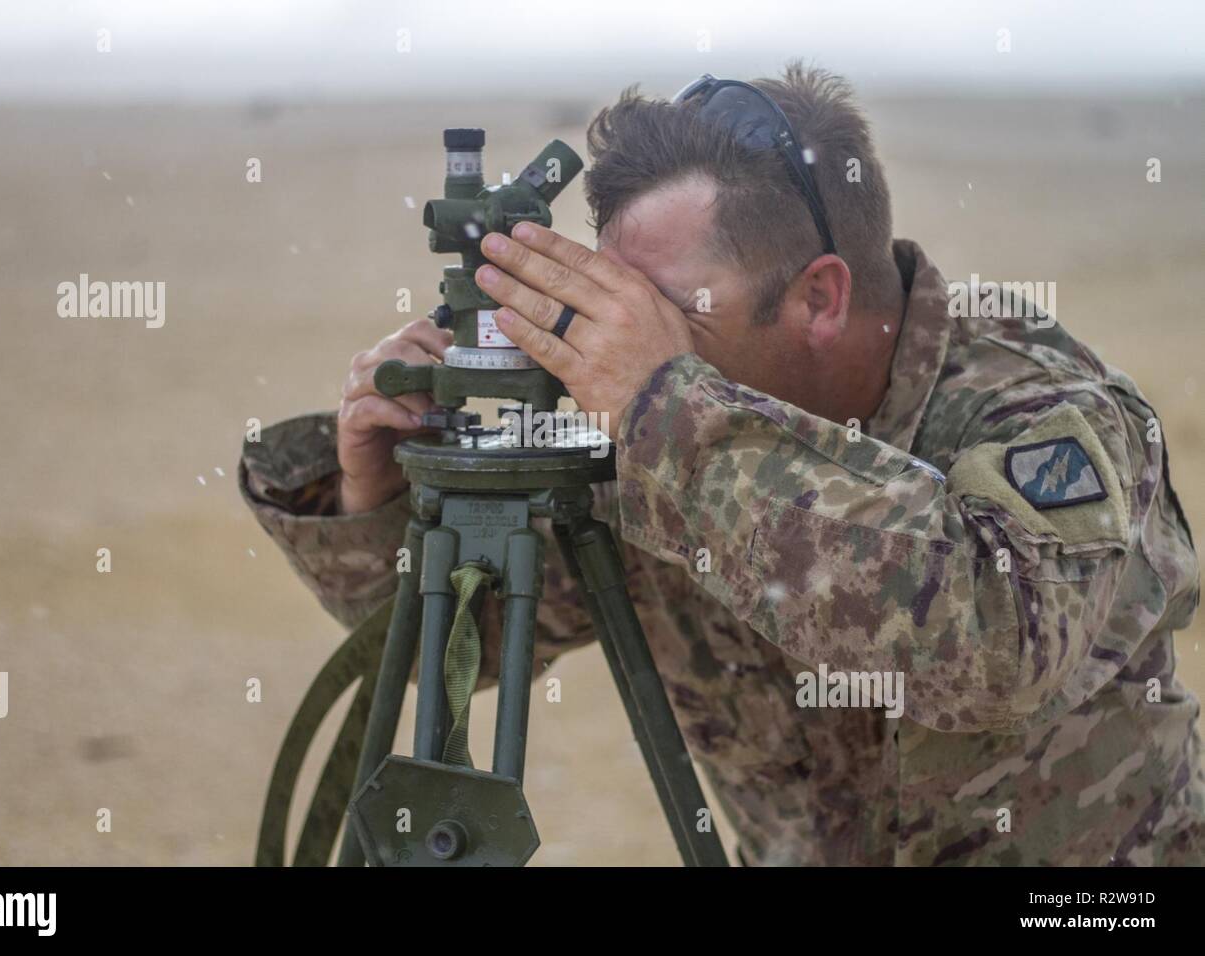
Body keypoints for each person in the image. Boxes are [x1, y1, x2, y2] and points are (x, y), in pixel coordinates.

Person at [240, 63, 1202, 865]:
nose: (615, 346)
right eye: (612, 301)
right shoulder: (662, 434)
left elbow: (997, 648)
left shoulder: (1036, 409)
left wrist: (666, 409)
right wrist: (379, 492)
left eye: (663, 313)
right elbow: (471, 643)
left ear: (819, 298)